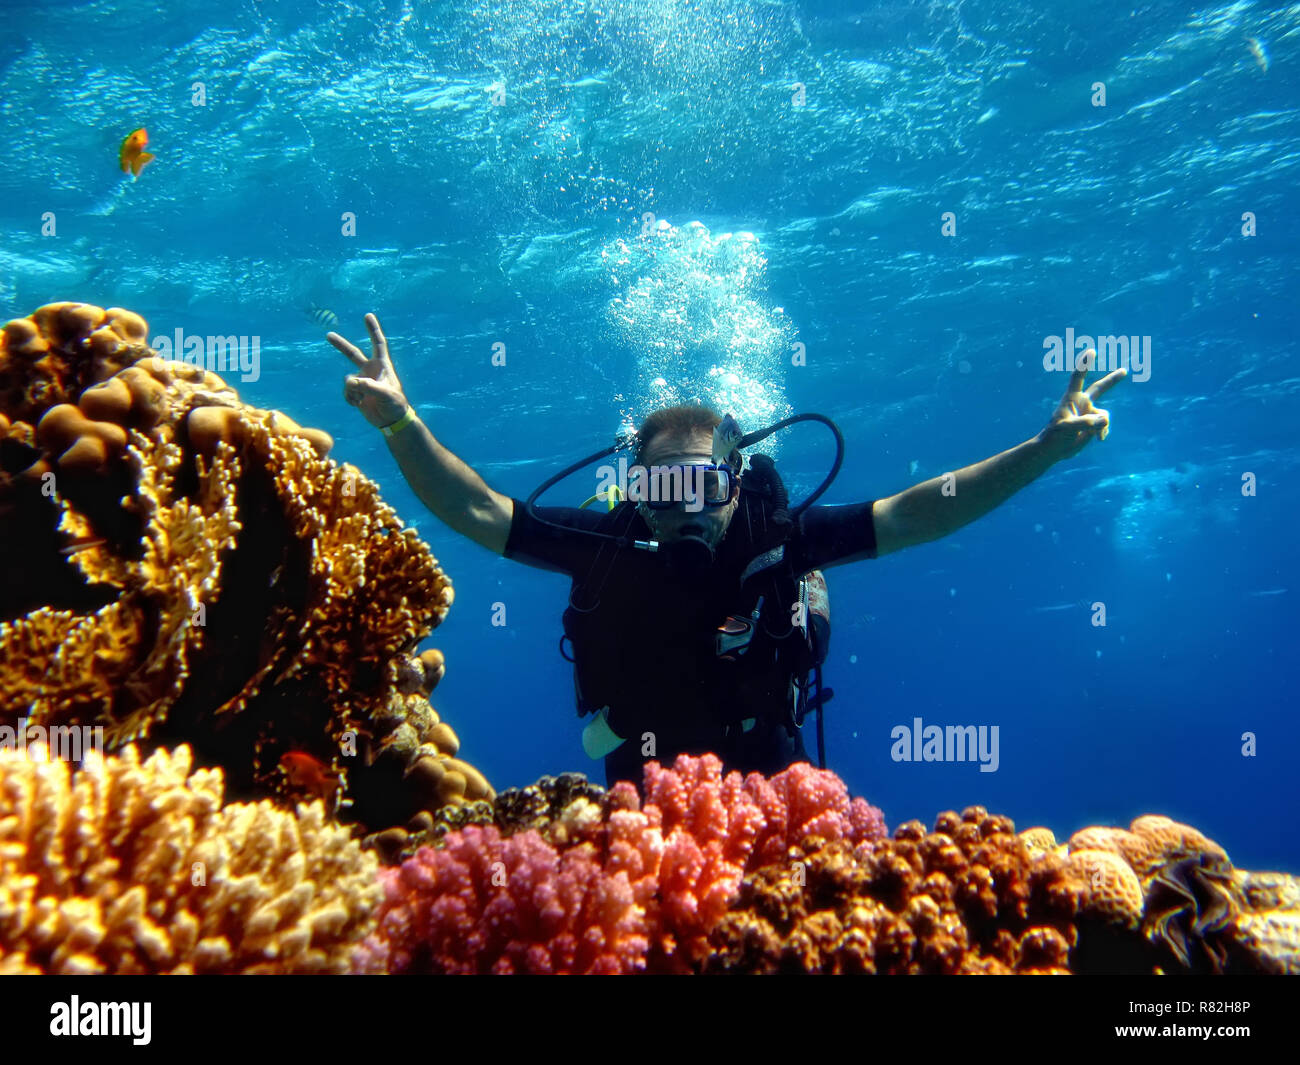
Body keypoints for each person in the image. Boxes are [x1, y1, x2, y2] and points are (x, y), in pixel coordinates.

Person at [331, 314, 1125, 785]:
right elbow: (476, 507)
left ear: (737, 483)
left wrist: (1042, 450)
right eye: (661, 491)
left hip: (772, 771)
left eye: (702, 488)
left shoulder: (780, 534)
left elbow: (922, 512)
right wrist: (401, 422)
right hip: (639, 785)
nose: (683, 513)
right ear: (635, 491)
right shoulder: (609, 545)